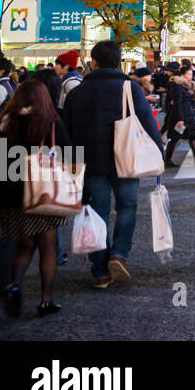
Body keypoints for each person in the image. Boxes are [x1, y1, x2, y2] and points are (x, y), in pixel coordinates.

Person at [61, 39, 164, 290]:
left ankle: (99, 271)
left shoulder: (77, 93)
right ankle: (119, 255)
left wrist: (70, 163)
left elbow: (67, 132)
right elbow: (148, 124)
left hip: (91, 161)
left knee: (97, 213)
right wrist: (159, 151)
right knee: (127, 208)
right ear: (118, 62)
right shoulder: (130, 88)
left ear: (93, 63)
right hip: (126, 159)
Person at [0, 80, 71, 317]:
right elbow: (69, 155)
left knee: (23, 247)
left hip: (14, 199)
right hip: (44, 195)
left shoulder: (6, 123)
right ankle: (46, 299)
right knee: (48, 247)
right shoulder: (51, 124)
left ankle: (14, 286)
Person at [162, 65, 195, 167]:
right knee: (174, 138)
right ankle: (167, 160)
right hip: (180, 117)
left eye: (191, 74)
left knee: (192, 137)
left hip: (187, 115)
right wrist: (180, 118)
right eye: (188, 74)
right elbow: (177, 103)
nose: (191, 76)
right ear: (182, 75)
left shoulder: (186, 85)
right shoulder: (178, 86)